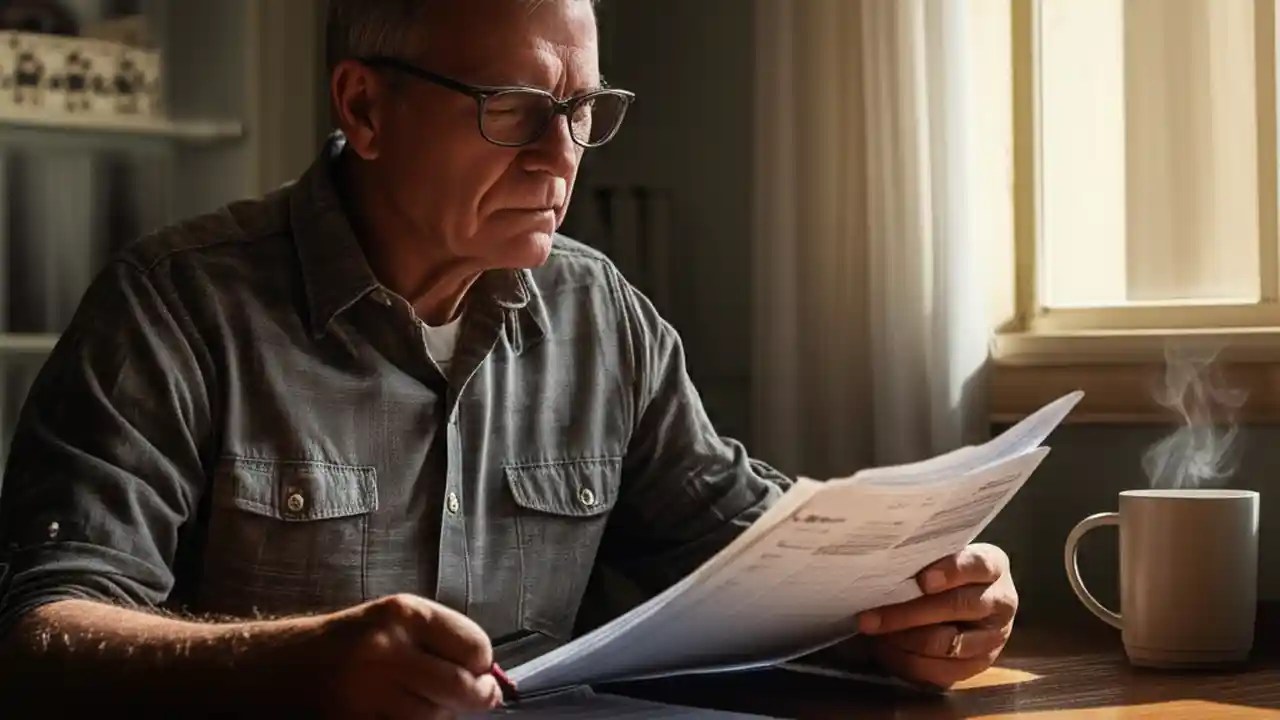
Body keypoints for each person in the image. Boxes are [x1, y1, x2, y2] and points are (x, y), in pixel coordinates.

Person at [0, 0, 1018, 716]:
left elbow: (744, 559)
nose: (557, 152)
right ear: (361, 109)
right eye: (510, 106)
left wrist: (904, 611)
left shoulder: (598, 315)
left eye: (579, 108)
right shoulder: (175, 308)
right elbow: (42, 637)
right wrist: (295, 667)